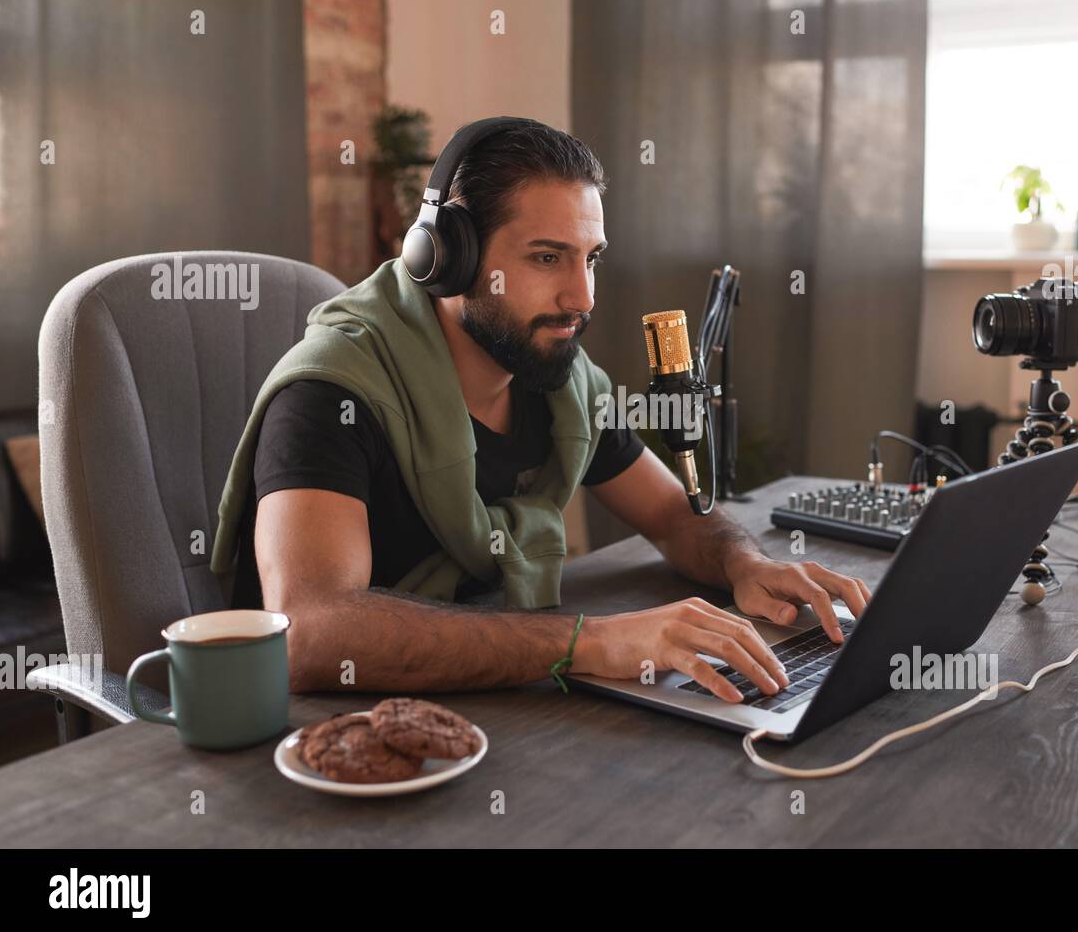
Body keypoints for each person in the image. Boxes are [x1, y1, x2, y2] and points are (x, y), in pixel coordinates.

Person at [212, 118, 869, 705]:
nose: (581, 297)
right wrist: (592, 643)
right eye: (547, 257)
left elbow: (672, 516)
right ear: (448, 257)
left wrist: (744, 566)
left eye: (591, 260)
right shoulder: (334, 393)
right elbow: (311, 632)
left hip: (479, 709)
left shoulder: (557, 379)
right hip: (317, 748)